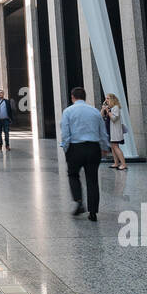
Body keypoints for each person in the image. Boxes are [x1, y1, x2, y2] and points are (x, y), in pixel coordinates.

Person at [61, 87, 109, 221]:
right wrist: (104, 148)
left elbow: (65, 133)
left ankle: (79, 200)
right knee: (92, 179)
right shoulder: (94, 112)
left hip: (76, 148)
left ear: (72, 97)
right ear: (85, 97)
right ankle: (93, 212)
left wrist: (66, 148)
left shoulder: (68, 111)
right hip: (93, 148)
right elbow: (103, 132)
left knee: (73, 174)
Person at [102, 93, 127, 170]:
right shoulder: (109, 108)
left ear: (112, 99)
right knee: (113, 147)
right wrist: (103, 109)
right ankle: (116, 163)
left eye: (108, 98)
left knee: (115, 147)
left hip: (114, 131)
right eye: (106, 98)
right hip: (109, 130)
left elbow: (114, 118)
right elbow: (101, 116)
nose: (106, 100)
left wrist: (107, 111)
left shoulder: (116, 108)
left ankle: (123, 164)